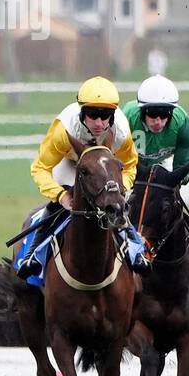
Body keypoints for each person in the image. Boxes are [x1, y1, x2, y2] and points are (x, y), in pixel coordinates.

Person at [17, 76, 148, 279]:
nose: (99, 123)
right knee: (57, 205)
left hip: (104, 167)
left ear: (113, 115)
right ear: (81, 113)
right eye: (92, 115)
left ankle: (136, 252)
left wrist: (120, 188)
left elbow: (131, 165)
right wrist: (60, 195)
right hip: (70, 163)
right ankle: (33, 255)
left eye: (105, 116)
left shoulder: (121, 132)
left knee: (117, 204)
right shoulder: (64, 130)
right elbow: (40, 168)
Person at [123, 74, 189, 181]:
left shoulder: (182, 124)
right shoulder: (126, 118)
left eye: (164, 114)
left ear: (171, 112)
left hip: (162, 164)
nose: (158, 121)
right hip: (130, 165)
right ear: (142, 111)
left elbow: (182, 166)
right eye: (152, 113)